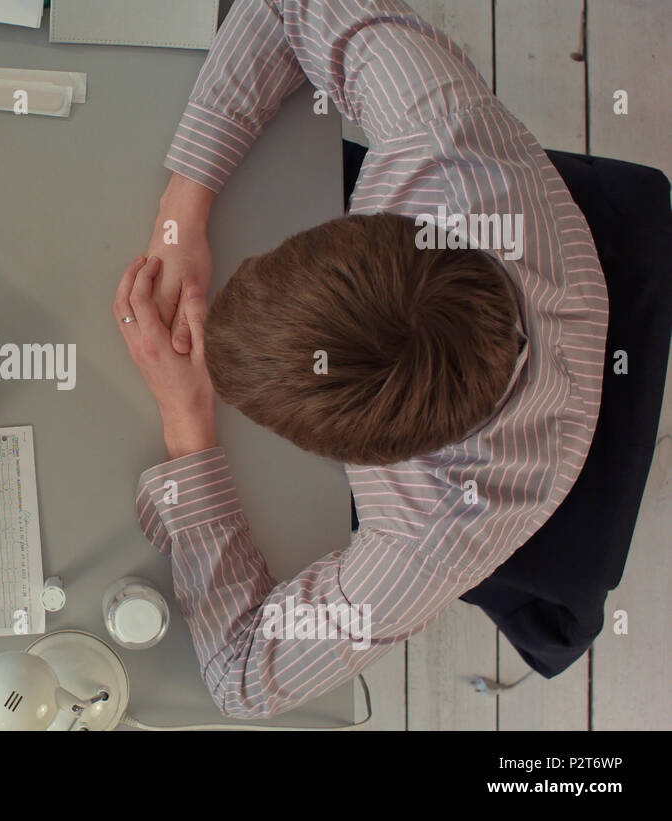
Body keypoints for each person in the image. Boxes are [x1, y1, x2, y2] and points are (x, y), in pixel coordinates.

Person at [115, 0, 607, 719]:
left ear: (366, 462)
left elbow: (242, 677)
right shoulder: (443, 142)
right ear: (365, 228)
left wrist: (187, 426)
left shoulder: (434, 533)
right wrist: (183, 205)